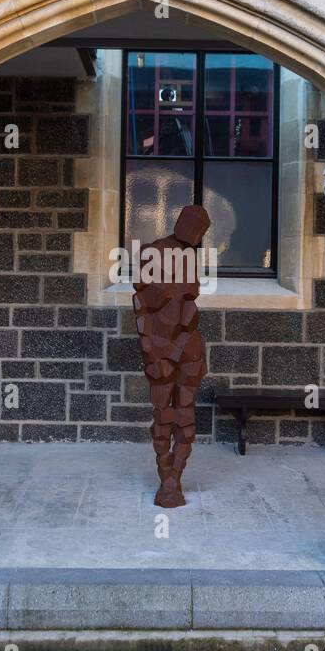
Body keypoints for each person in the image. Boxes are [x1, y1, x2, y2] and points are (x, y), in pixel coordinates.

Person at [132, 205, 211, 508]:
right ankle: (166, 478)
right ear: (183, 223)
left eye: (202, 231)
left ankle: (174, 479)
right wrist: (151, 350)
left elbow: (190, 308)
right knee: (163, 414)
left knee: (186, 416)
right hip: (160, 347)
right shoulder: (153, 253)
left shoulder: (189, 258)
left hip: (188, 348)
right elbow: (140, 306)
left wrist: (176, 346)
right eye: (195, 227)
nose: (197, 235)